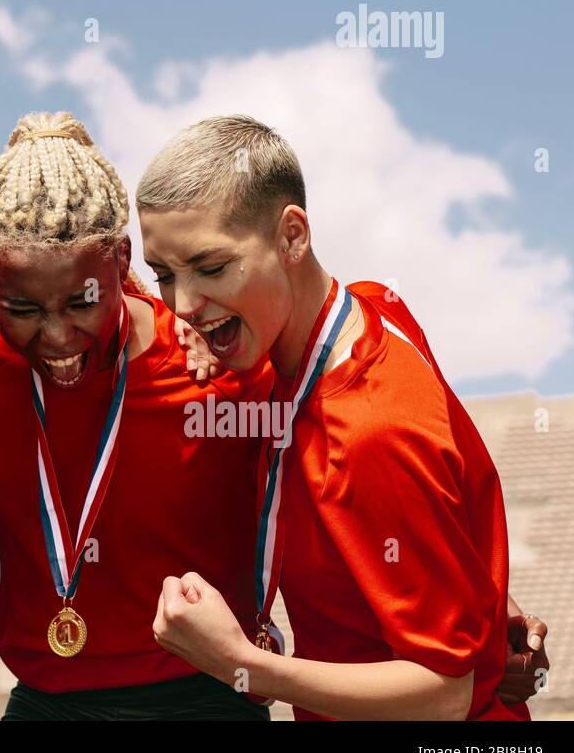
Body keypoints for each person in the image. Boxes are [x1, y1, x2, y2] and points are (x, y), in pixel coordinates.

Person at [139, 115, 537, 720]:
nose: (183, 306)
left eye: (212, 269)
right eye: (164, 274)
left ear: (292, 237)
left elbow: (444, 693)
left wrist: (240, 663)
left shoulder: (369, 432)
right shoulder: (374, 304)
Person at [0, 112, 273, 721]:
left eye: (81, 302)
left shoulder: (220, 371)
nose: (56, 335)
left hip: (202, 702)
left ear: (122, 261)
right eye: (20, 308)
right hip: (45, 704)